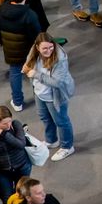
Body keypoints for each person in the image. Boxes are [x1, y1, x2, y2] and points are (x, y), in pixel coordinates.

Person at [22, 33, 75, 161]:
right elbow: (27, 65)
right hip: (40, 93)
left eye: (51, 47)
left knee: (61, 121)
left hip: (55, 96)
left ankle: (67, 147)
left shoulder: (60, 59)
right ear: (37, 47)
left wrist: (35, 74)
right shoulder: (33, 52)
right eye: (44, 48)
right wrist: (28, 69)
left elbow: (58, 83)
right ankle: (52, 141)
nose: (48, 51)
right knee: (45, 118)